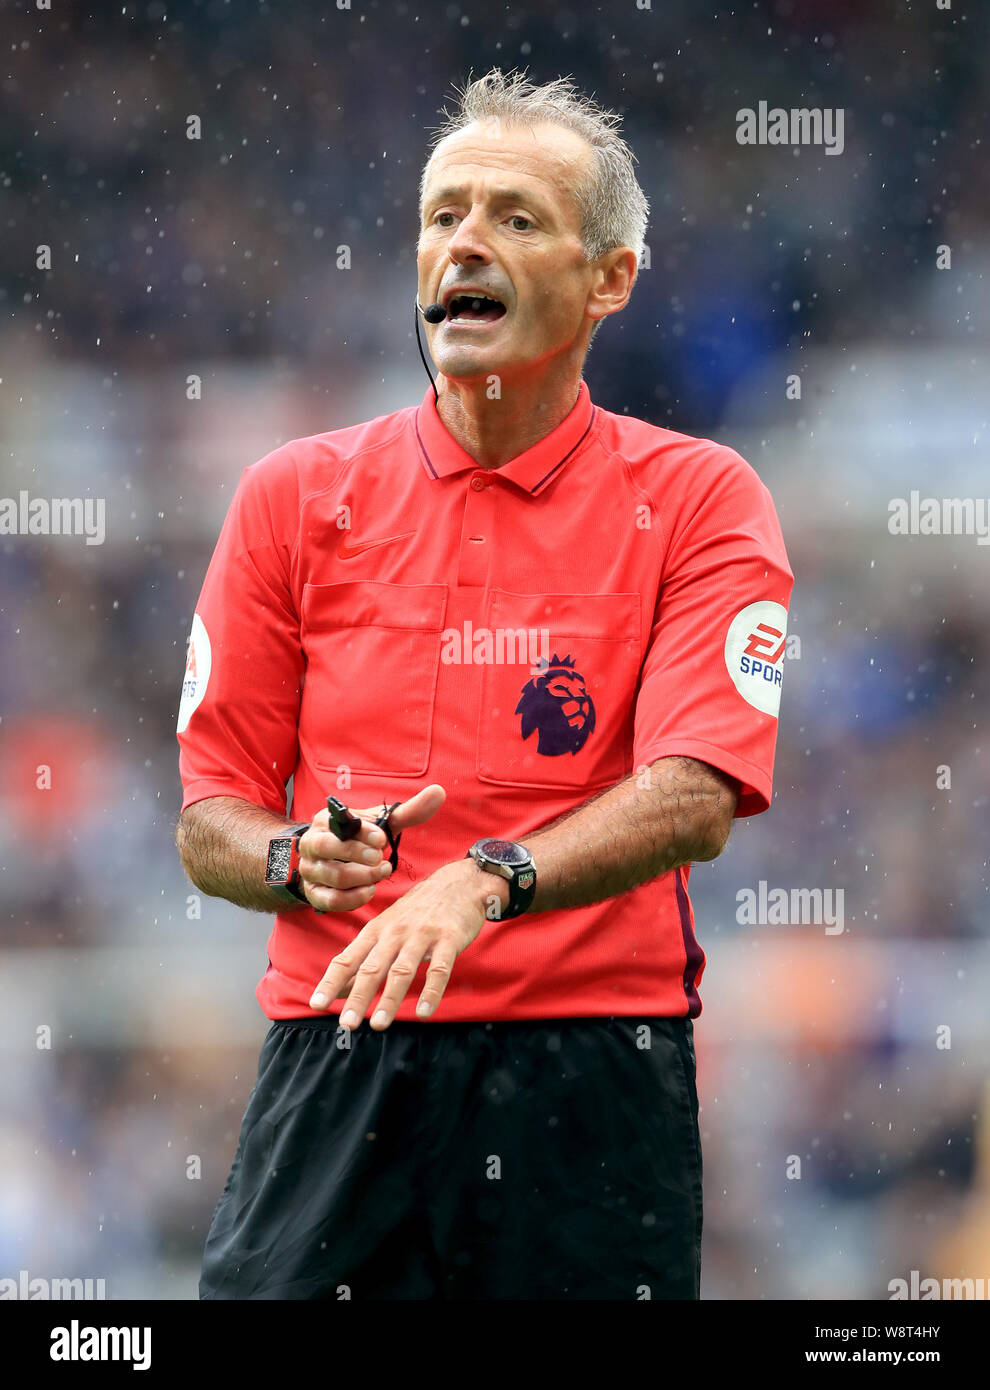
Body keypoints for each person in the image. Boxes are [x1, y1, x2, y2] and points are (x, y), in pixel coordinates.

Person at [175, 68, 793, 1300]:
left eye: (516, 216)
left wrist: (484, 878)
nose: (465, 239)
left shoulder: (698, 499)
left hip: (589, 1079)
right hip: (342, 1052)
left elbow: (696, 795)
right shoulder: (292, 497)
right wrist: (298, 857)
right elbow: (209, 821)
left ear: (610, 277)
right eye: (443, 212)